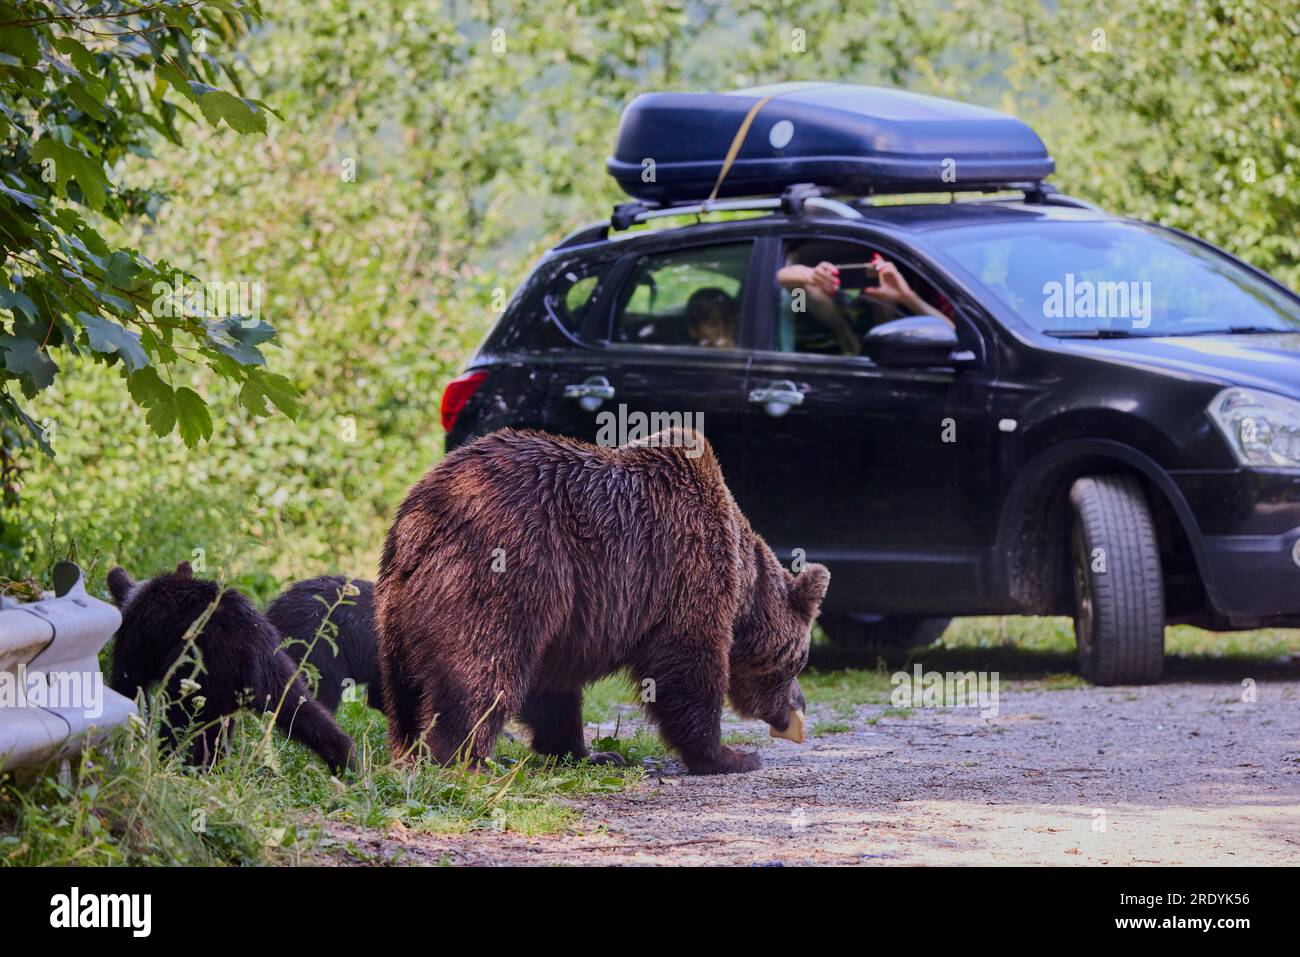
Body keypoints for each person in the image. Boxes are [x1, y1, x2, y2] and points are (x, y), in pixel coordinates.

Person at [776, 250, 951, 355]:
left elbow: (957, 335)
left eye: (878, 278)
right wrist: (812, 275)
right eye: (871, 277)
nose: (875, 287)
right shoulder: (836, 303)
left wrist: (905, 295)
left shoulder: (909, 308)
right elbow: (784, 276)